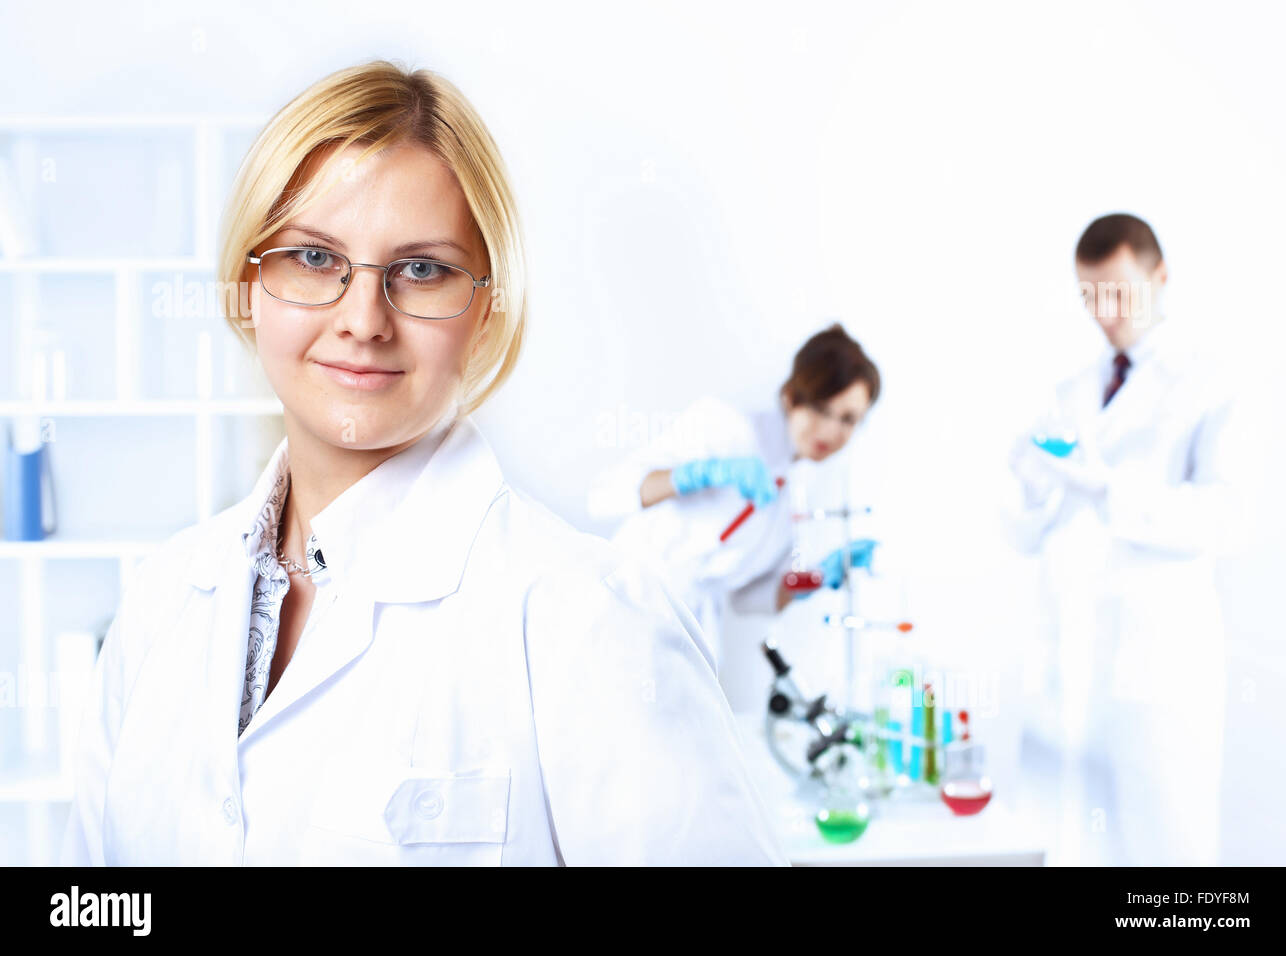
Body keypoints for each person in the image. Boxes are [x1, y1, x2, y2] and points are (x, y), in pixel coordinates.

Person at [59, 60, 787, 867]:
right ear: (248, 280)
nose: (363, 319)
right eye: (312, 257)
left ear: (484, 310)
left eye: (422, 270)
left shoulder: (591, 619)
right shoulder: (163, 599)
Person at [1003, 213, 1244, 866]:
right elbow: (1027, 536)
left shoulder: (1210, 384)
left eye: (1119, 292)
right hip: (1069, 665)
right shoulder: (1071, 392)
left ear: (1160, 277)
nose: (1104, 311)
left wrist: (1109, 491)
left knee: (1170, 860)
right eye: (1089, 295)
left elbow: (1224, 518)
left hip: (1158, 668)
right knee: (1069, 845)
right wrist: (1029, 483)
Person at [587, 324, 882, 666]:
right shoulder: (726, 427)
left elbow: (749, 597)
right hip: (627, 602)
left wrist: (815, 577)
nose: (832, 430)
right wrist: (696, 474)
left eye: (848, 419)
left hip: (693, 633)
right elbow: (605, 495)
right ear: (792, 396)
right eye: (821, 409)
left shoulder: (799, 493)